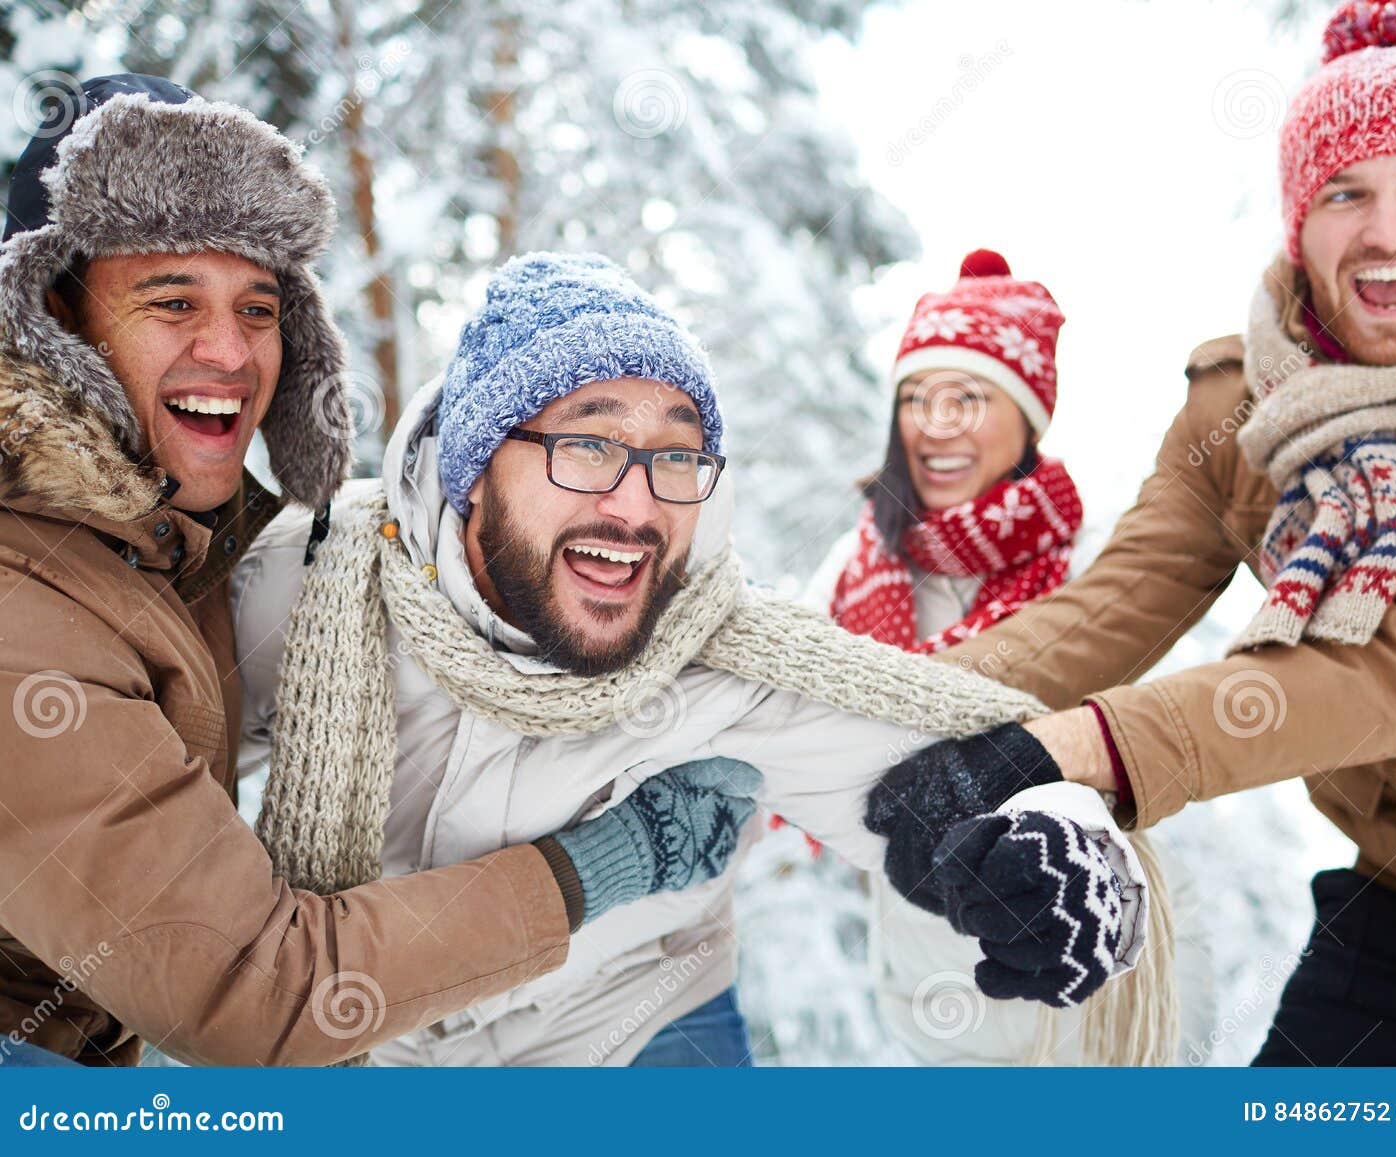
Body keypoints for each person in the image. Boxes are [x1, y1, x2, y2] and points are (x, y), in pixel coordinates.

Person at [872, 0, 1396, 1066]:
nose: (1388, 231)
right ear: (1299, 225)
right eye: (1346, 192)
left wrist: (1070, 748)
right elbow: (1115, 604)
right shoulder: (1239, 411)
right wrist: (903, 711)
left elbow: (1390, 673)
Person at [234, 251, 1170, 1066]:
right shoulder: (309, 590)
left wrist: (1054, 848)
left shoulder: (714, 649)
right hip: (376, 1050)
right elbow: (136, 794)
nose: (637, 507)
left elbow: (931, 780)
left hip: (639, 1023)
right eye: (589, 444)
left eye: (677, 459)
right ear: (474, 468)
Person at [0, 76, 764, 1067]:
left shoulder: (170, 551)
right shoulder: (25, 615)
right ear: (55, 322)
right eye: (172, 299)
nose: (229, 350)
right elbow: (252, 988)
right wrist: (607, 862)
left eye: (259, 305)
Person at [810, 249, 1213, 1065]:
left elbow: (1146, 743)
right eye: (916, 396)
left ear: (1029, 417)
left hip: (1090, 996)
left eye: (969, 395)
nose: (936, 422)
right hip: (932, 991)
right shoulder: (852, 574)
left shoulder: (1099, 566)